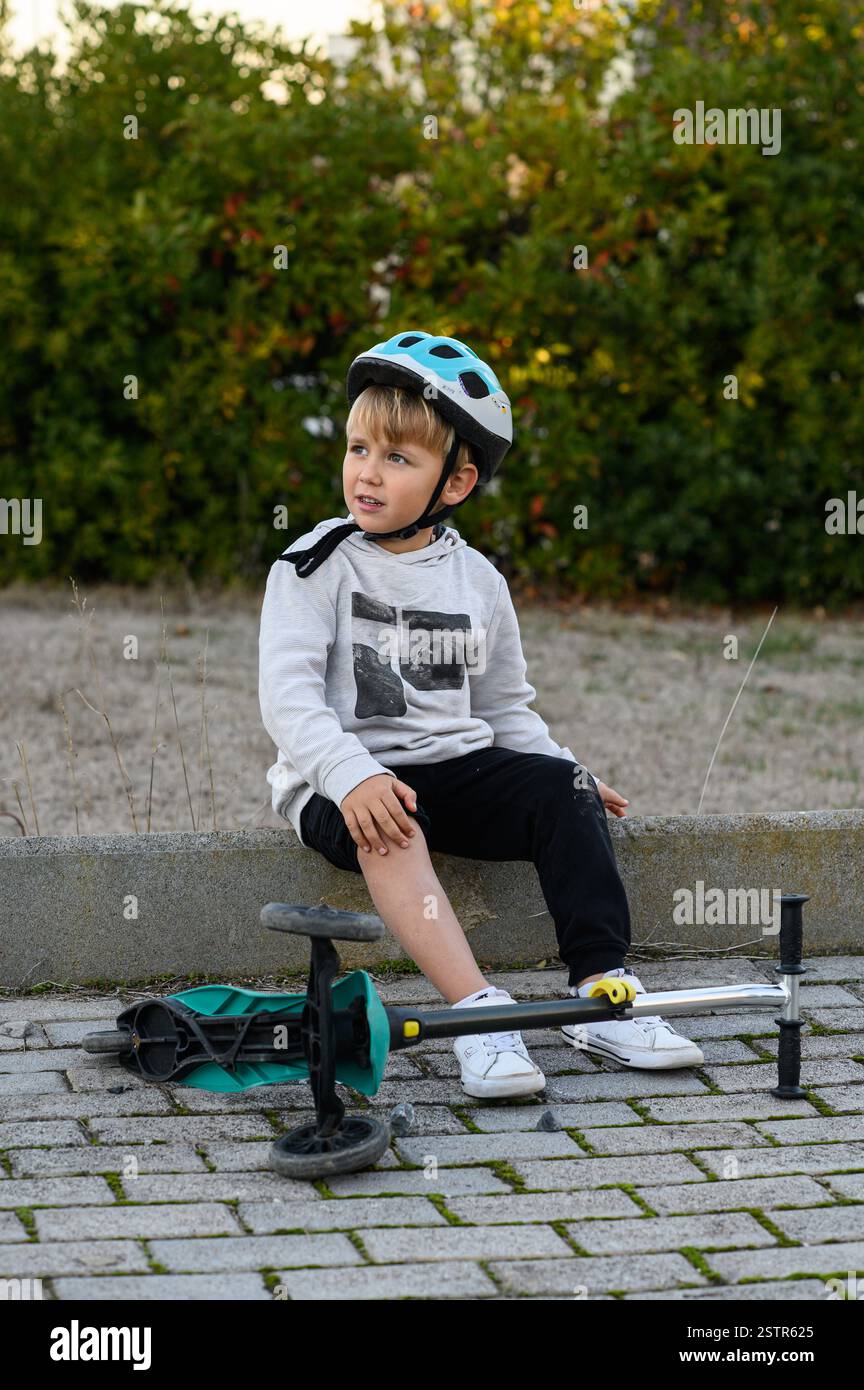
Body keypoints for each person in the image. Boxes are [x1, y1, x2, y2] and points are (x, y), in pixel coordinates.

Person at [258, 330, 703, 1099]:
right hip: (341, 784)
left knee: (561, 792)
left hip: (452, 773)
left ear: (455, 483)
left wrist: (568, 772)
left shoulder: (479, 582)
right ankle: (478, 1014)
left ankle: (602, 996)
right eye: (359, 448)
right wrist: (351, 775)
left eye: (398, 459)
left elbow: (504, 710)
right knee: (394, 816)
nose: (367, 472)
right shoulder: (314, 565)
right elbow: (287, 698)